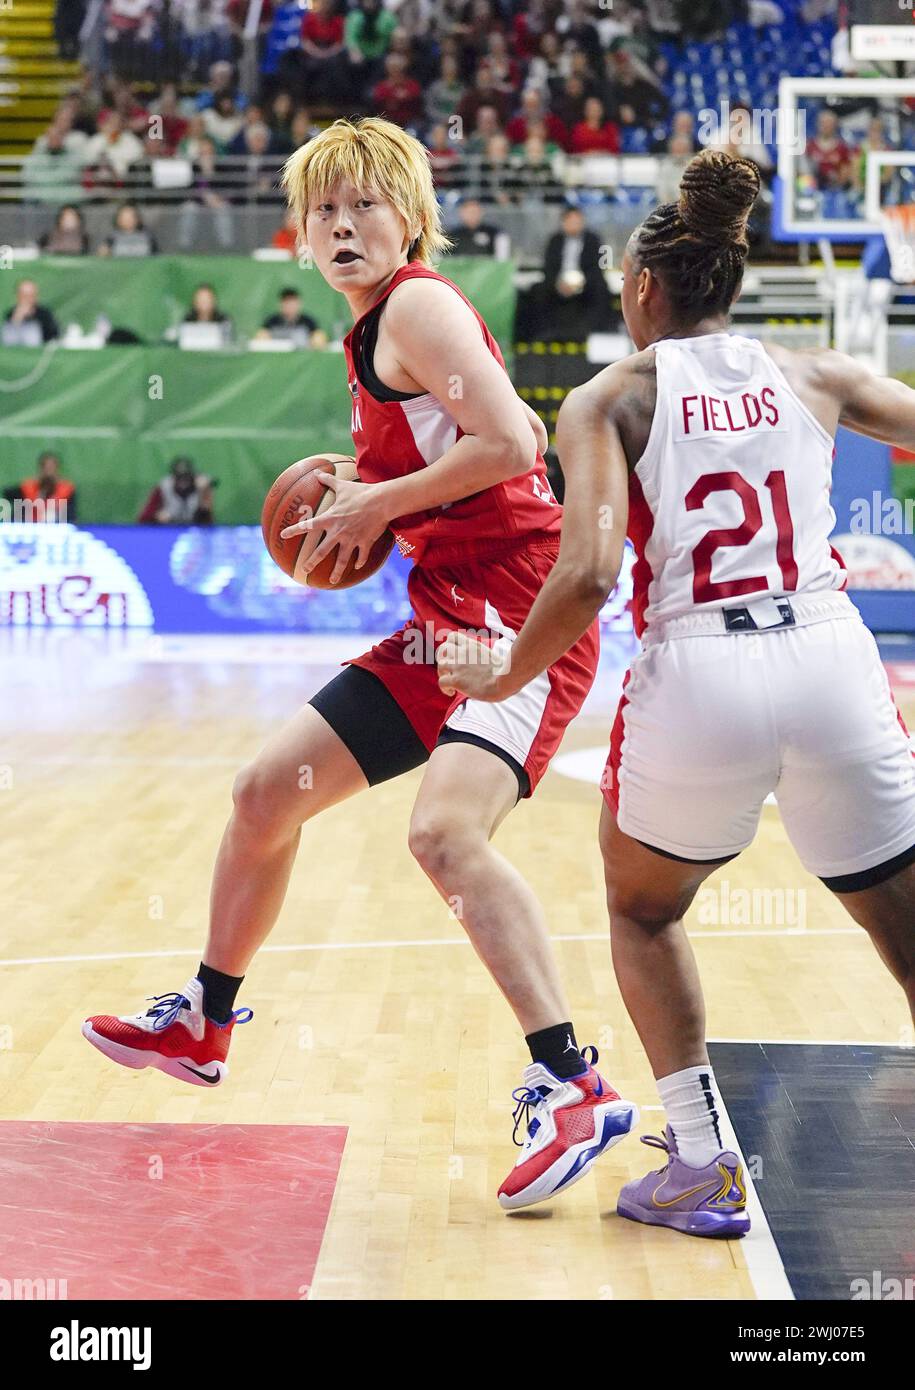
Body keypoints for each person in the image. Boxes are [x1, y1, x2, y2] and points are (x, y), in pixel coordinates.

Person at [83, 115, 637, 1212]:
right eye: (323, 210)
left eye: (364, 205)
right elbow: (472, 438)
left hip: (518, 619)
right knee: (260, 793)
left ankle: (576, 1080)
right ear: (299, 233)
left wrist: (378, 498)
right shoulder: (372, 333)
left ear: (410, 219)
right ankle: (205, 1014)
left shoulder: (418, 304)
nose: (341, 225)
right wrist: (376, 477)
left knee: (441, 832)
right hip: (442, 618)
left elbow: (518, 447)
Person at [435, 148, 915, 1239]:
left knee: (645, 909)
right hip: (832, 651)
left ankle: (700, 1166)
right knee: (905, 927)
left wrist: (505, 669)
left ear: (645, 288)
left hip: (702, 666)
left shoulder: (609, 395)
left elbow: (592, 572)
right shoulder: (819, 374)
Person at [137, 457, 214, 524]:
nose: (183, 481)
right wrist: (156, 517)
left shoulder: (201, 488)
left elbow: (207, 522)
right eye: (179, 478)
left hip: (192, 532)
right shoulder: (163, 487)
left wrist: (204, 493)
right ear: (173, 477)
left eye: (186, 477)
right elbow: (143, 519)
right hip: (167, 531)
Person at [258, 287, 327, 347]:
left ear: (299, 303)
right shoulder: (272, 321)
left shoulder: (308, 321)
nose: (290, 306)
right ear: (281, 304)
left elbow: (319, 338)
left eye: (292, 302)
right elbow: (261, 337)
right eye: (287, 303)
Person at [18, 451, 76, 522]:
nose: (48, 472)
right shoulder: (28, 486)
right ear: (41, 468)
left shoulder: (66, 488)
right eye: (46, 467)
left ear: (57, 468)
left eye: (51, 467)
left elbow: (69, 514)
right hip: (31, 524)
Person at [3, 279, 59, 345]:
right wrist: (17, 318)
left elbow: (54, 334)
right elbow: (7, 338)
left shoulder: (44, 313)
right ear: (18, 296)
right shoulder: (11, 313)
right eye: (24, 295)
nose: (27, 299)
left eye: (30, 295)